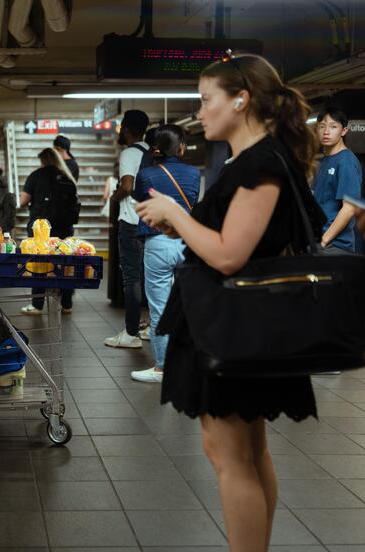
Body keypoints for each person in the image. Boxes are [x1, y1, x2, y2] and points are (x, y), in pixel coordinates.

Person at [136, 51, 325, 551]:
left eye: (206, 100)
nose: (199, 111)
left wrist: (176, 214)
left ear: (240, 100)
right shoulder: (259, 159)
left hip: (235, 328)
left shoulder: (262, 163)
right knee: (251, 451)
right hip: (244, 324)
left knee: (229, 457)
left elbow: (227, 255)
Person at [130, 125, 200, 383]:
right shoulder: (193, 173)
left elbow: (138, 197)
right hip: (187, 242)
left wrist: (151, 159)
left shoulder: (147, 173)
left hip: (158, 243)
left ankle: (163, 367)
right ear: (181, 147)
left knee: (160, 307)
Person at [106, 110, 150, 348]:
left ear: (127, 128)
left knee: (132, 278)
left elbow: (127, 186)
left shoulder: (129, 152)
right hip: (152, 222)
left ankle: (131, 333)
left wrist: (114, 197)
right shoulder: (152, 151)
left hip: (132, 221)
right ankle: (151, 327)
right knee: (151, 278)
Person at [19, 147, 79, 314]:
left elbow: (23, 201)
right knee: (65, 264)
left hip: (41, 228)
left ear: (43, 160)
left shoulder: (37, 175)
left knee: (39, 264)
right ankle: (67, 304)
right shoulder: (67, 176)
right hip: (64, 227)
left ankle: (37, 305)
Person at [313, 107, 363, 254]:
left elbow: (349, 209)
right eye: (322, 126)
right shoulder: (324, 161)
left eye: (333, 126)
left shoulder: (346, 161)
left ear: (344, 131)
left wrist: (324, 240)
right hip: (319, 240)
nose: (326, 131)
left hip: (335, 245)